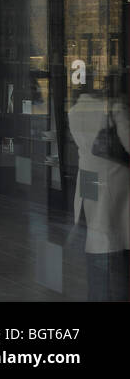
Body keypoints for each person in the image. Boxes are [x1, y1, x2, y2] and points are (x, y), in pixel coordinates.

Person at [67, 81, 129, 301]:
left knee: (94, 229)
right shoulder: (114, 108)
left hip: (88, 177)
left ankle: (97, 290)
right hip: (112, 179)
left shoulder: (75, 109)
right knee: (111, 231)